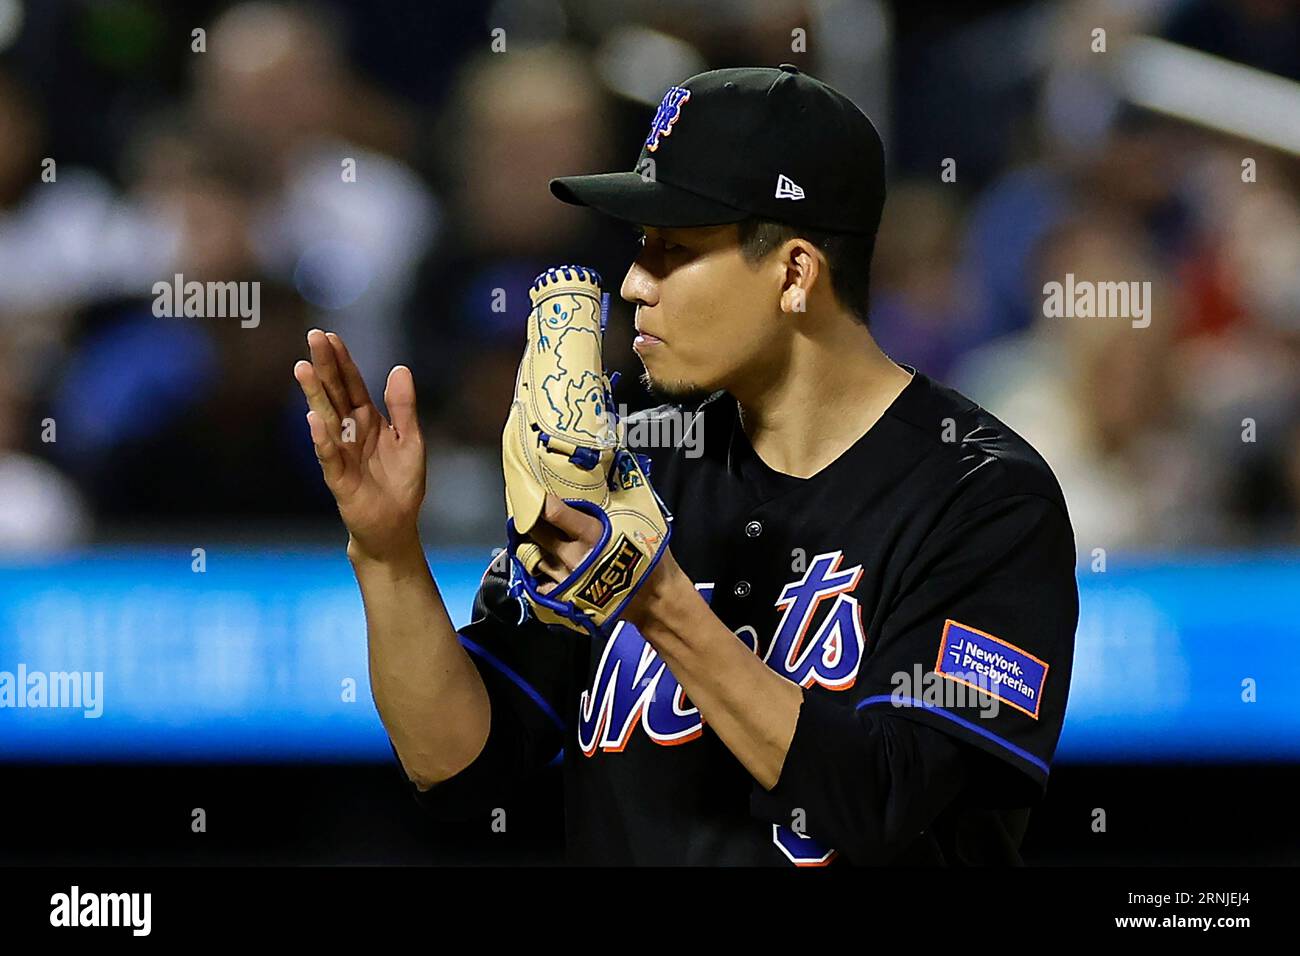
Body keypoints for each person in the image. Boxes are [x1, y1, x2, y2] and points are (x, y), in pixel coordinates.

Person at [294, 65, 1078, 865]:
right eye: (641, 245)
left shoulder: (982, 495)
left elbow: (886, 800)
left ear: (795, 272)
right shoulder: (628, 450)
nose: (634, 281)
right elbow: (459, 765)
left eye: (675, 248)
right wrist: (387, 551)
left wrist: (658, 603)